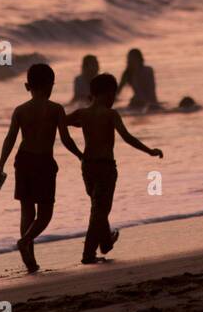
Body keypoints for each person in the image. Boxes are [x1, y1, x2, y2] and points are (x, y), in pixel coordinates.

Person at [0, 63, 83, 273]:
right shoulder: (55, 109)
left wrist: (0, 166)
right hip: (43, 163)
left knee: (26, 211)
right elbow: (66, 139)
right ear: (51, 86)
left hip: (23, 161)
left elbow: (10, 139)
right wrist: (80, 155)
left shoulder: (20, 110)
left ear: (27, 86)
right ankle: (25, 242)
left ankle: (30, 259)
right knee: (46, 213)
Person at [66, 73, 163, 264]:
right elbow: (127, 137)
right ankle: (88, 253)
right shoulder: (110, 114)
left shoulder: (82, 114)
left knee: (98, 207)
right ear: (108, 93)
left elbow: (60, 121)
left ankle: (105, 242)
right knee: (100, 210)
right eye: (113, 95)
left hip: (87, 167)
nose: (113, 99)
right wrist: (149, 150)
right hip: (105, 166)